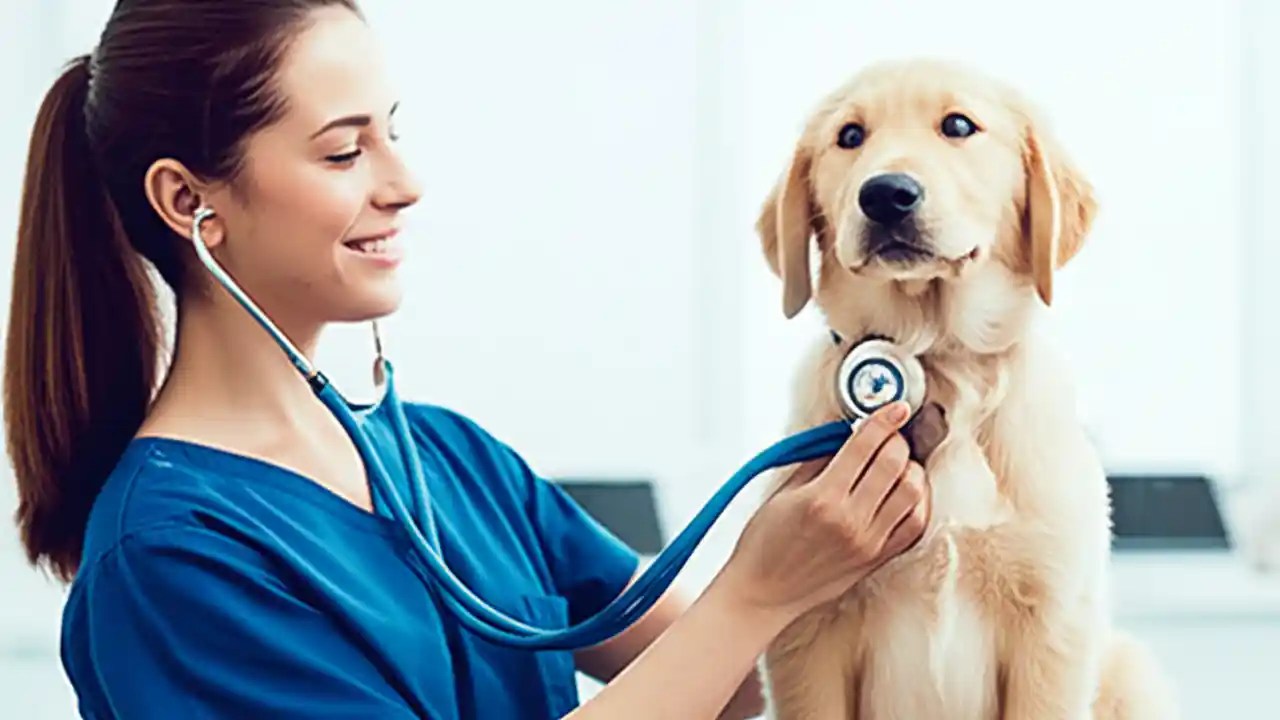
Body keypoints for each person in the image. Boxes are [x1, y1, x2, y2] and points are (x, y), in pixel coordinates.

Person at [3, 1, 933, 718]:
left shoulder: (453, 461)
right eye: (343, 152)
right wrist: (758, 592)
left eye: (392, 132)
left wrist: (836, 554)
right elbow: (736, 629)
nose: (404, 185)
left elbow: (725, 691)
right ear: (186, 200)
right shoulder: (173, 557)